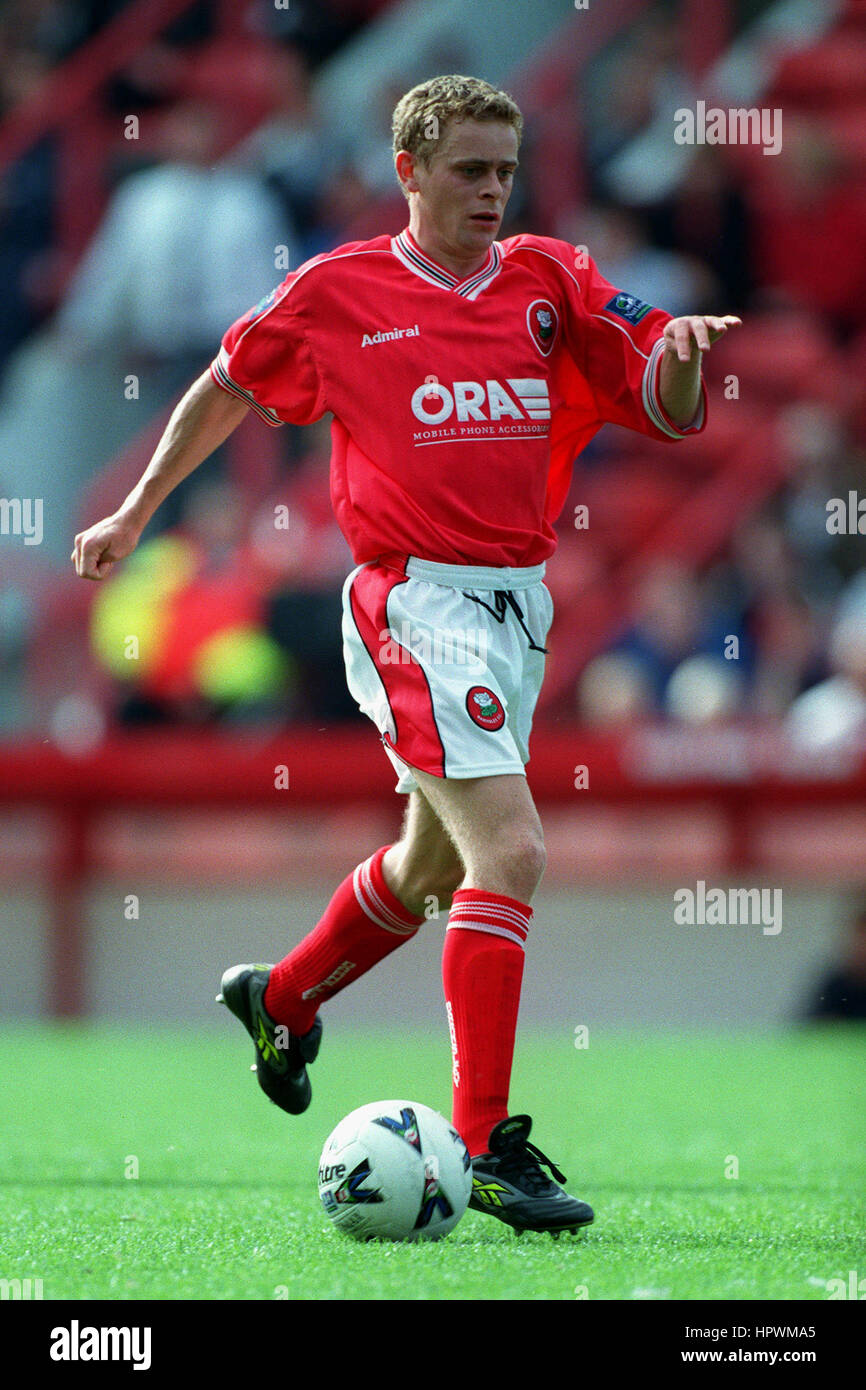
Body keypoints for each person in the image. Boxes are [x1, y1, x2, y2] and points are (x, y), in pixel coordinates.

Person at [72, 74, 741, 1236]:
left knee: (431, 871)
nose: (491, 189)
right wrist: (135, 513)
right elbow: (224, 387)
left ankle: (279, 1000)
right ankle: (481, 1147)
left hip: (515, 606)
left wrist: (679, 352)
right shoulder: (339, 292)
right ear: (411, 173)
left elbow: (664, 404)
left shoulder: (547, 278)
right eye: (468, 169)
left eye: (502, 169)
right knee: (513, 848)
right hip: (411, 603)